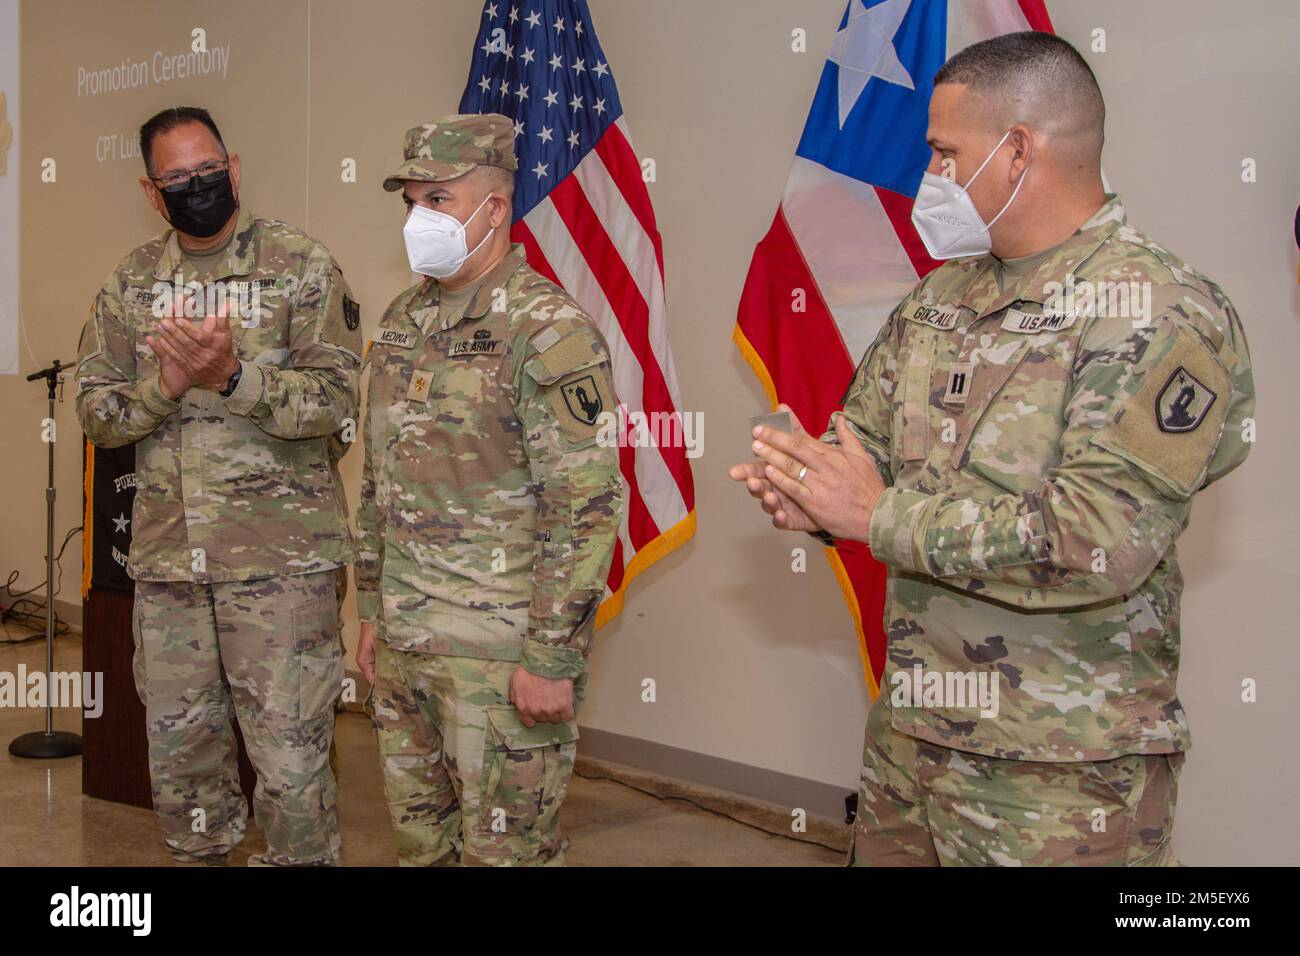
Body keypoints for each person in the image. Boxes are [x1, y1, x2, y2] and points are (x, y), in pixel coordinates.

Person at [729, 32, 1254, 866]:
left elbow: (1097, 541)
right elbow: (864, 450)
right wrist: (816, 496)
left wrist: (876, 515)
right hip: (912, 738)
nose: (928, 177)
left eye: (944, 153)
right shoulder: (942, 295)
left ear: (1016, 151)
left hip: (1055, 773)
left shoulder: (1154, 309)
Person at [75, 106, 362, 866]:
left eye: (207, 170)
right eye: (176, 178)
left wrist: (233, 377)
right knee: (183, 764)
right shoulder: (130, 284)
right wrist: (165, 386)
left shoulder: (301, 265)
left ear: (233, 169)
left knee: (293, 769)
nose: (196, 186)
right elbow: (98, 415)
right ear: (150, 189)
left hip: (282, 570)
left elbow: (336, 402)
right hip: (170, 569)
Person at [355, 114, 622, 866]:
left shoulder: (546, 330)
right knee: (419, 849)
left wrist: (552, 657)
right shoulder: (404, 320)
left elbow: (587, 505)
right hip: (407, 645)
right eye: (412, 201)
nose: (420, 219)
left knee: (507, 856)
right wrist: (372, 611)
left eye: (438, 199)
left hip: (500, 659)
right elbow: (379, 480)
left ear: (494, 207)